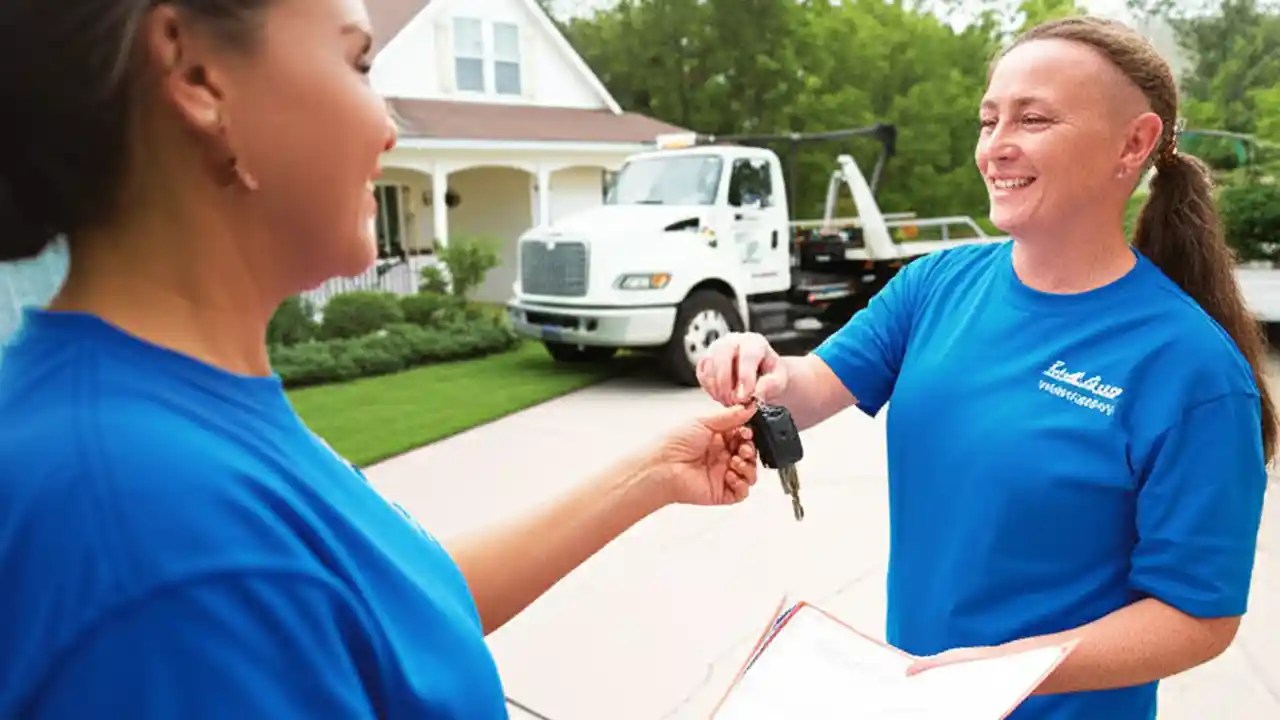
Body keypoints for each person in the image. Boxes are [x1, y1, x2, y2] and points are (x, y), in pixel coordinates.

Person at [0, 0, 760, 718]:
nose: (387, 126)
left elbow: (382, 612)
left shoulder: (174, 420)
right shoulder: (159, 541)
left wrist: (651, 474)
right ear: (197, 78)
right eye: (359, 63)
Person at [698, 15, 1272, 720]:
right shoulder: (936, 284)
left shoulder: (1192, 372)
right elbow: (812, 386)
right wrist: (763, 367)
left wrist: (1009, 672)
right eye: (988, 119)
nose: (996, 147)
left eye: (1033, 119)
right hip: (917, 701)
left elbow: (1198, 617)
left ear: (1135, 143)